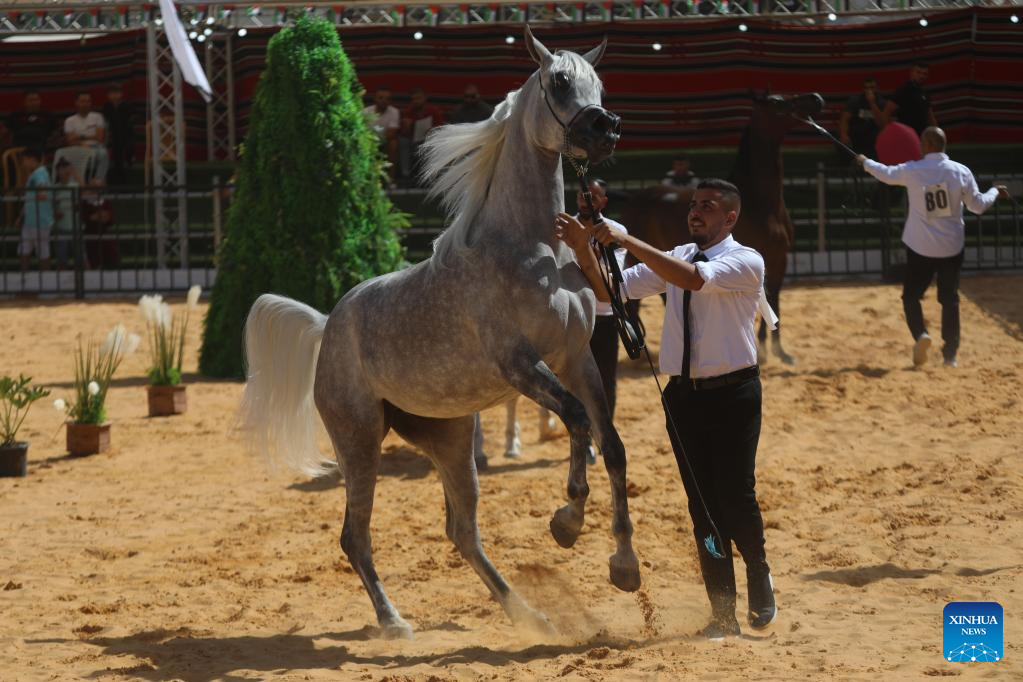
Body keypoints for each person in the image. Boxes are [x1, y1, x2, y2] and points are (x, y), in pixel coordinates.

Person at [555, 178, 778, 640]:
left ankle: (758, 568)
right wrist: (583, 249)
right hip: (683, 397)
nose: (695, 212)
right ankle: (723, 613)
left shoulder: (746, 259)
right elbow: (610, 292)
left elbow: (694, 279)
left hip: (734, 393)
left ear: (730, 217)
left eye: (707, 206)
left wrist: (627, 240)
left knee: (736, 495)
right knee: (702, 505)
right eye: (693, 204)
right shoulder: (676, 255)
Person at [856, 127, 1010, 368]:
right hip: (951, 247)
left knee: (911, 297)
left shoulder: (913, 170)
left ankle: (921, 334)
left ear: (926, 145)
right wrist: (994, 191)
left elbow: (885, 174)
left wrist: (865, 162)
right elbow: (978, 206)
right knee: (950, 299)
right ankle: (950, 355)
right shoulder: (961, 171)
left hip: (920, 247)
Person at [18, 149, 54, 272]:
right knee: (24, 249)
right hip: (31, 220)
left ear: (32, 160)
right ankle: (24, 278)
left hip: (40, 220)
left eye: (24, 160)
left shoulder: (40, 174)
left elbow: (43, 193)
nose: (23, 163)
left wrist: (37, 195)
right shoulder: (36, 174)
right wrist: (21, 216)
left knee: (42, 250)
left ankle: (45, 278)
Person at [399, 88, 444, 183]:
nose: (416, 101)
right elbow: (403, 134)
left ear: (424, 99)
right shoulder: (408, 112)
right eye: (414, 99)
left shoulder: (433, 111)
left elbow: (441, 129)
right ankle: (405, 175)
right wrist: (407, 127)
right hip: (413, 141)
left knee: (434, 144)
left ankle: (431, 176)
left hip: (429, 141)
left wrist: (432, 130)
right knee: (403, 142)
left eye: (418, 98)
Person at [64, 91, 109, 182]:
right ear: (76, 103)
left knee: (103, 154)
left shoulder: (98, 117)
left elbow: (99, 138)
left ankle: (98, 181)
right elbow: (70, 140)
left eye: (88, 101)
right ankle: (78, 184)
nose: (86, 104)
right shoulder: (69, 120)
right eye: (83, 101)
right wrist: (82, 143)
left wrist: (79, 136)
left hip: (96, 147)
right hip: (77, 148)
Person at [884, 62, 938, 136]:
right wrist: (891, 134)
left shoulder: (924, 93)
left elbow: (930, 117)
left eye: (925, 74)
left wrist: (938, 135)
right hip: (906, 137)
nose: (921, 76)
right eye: (918, 72)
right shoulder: (903, 91)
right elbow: (887, 113)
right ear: (912, 72)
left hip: (922, 137)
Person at [840, 76, 886, 158]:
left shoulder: (881, 103)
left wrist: (872, 103)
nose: (869, 90)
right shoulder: (855, 101)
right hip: (856, 136)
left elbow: (881, 124)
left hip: (873, 139)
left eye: (872, 87)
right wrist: (844, 134)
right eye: (866, 88)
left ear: (876, 88)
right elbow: (845, 119)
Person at [363, 88, 400, 186]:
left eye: (387, 98)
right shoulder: (366, 111)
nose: (384, 101)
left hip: (385, 141)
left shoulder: (394, 112)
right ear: (375, 99)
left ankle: (391, 179)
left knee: (393, 143)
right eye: (381, 98)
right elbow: (363, 131)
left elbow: (392, 133)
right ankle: (366, 179)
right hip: (368, 141)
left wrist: (378, 140)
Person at [101, 84, 134, 185]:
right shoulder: (107, 106)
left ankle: (129, 162)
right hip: (113, 135)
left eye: (117, 93)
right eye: (112, 93)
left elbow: (129, 121)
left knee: (125, 149)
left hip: (125, 133)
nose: (114, 96)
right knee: (116, 157)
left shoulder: (126, 105)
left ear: (121, 94)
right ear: (108, 95)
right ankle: (116, 178)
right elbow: (105, 121)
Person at [52, 158, 81, 270]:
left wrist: (77, 206)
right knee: (62, 258)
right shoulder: (54, 188)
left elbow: (81, 204)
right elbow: (50, 207)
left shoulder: (76, 186)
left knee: (80, 257)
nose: (64, 172)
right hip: (60, 227)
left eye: (66, 169)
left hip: (76, 226)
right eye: (61, 169)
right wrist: (55, 212)